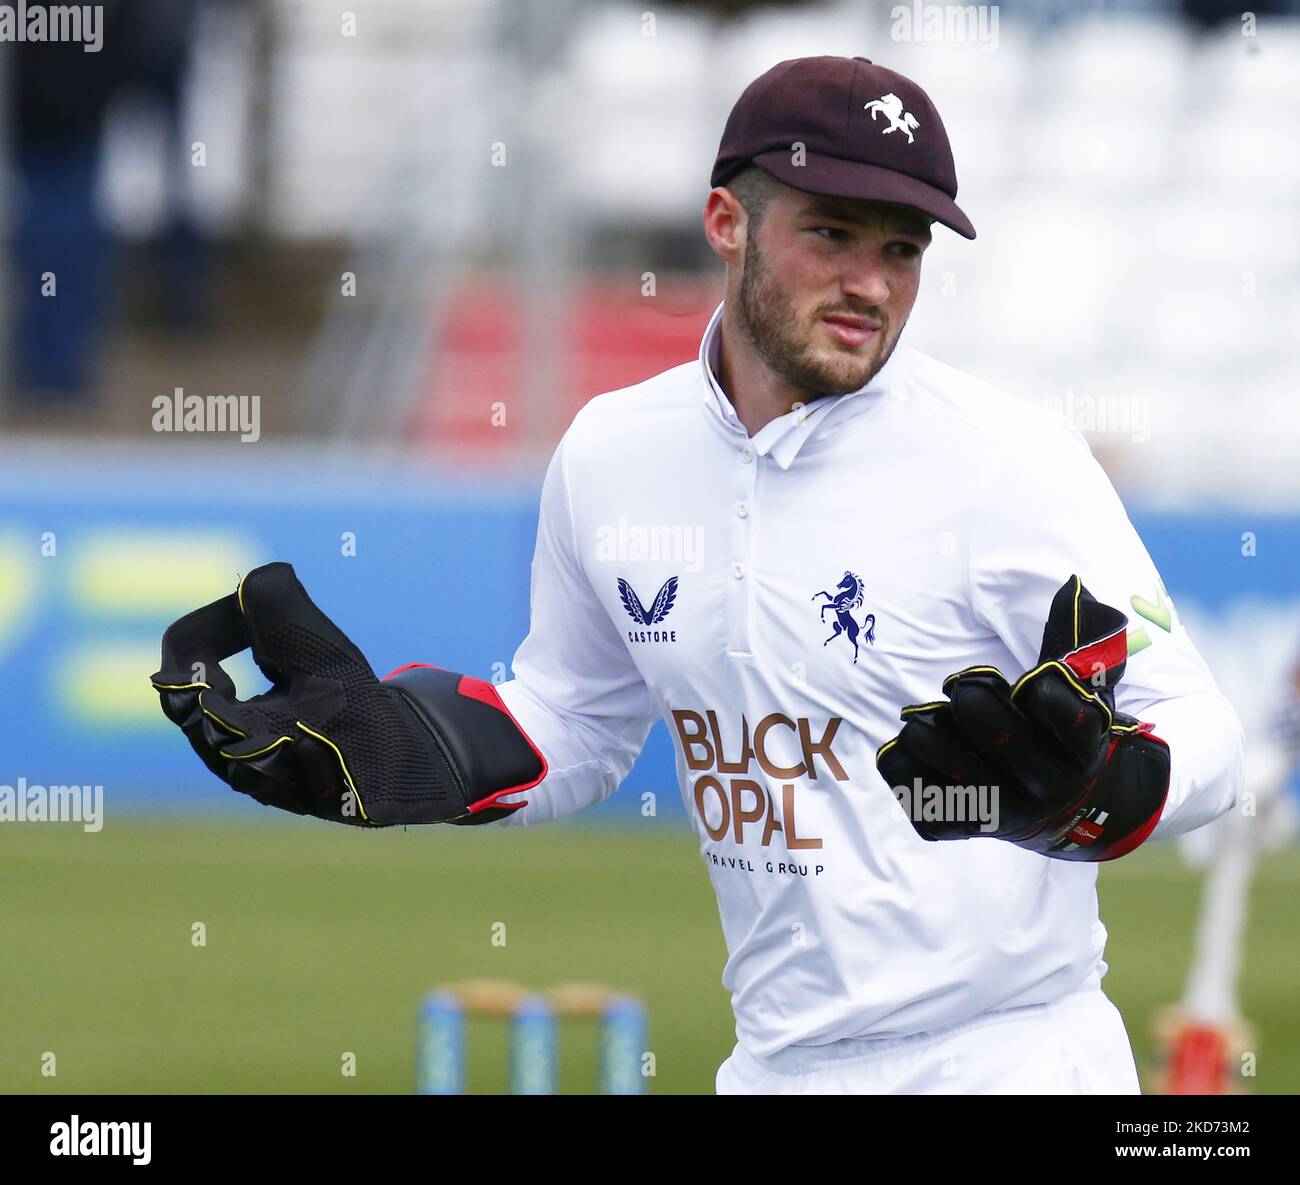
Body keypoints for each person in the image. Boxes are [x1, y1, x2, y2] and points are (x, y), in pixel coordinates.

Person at [151, 57, 1243, 1094]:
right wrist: (400, 751)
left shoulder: (1007, 461)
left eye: (902, 250)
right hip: (771, 1065)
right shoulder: (611, 453)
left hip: (1009, 1060)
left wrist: (1106, 794)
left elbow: (1203, 731)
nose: (870, 282)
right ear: (727, 222)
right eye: (831, 234)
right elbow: (576, 721)